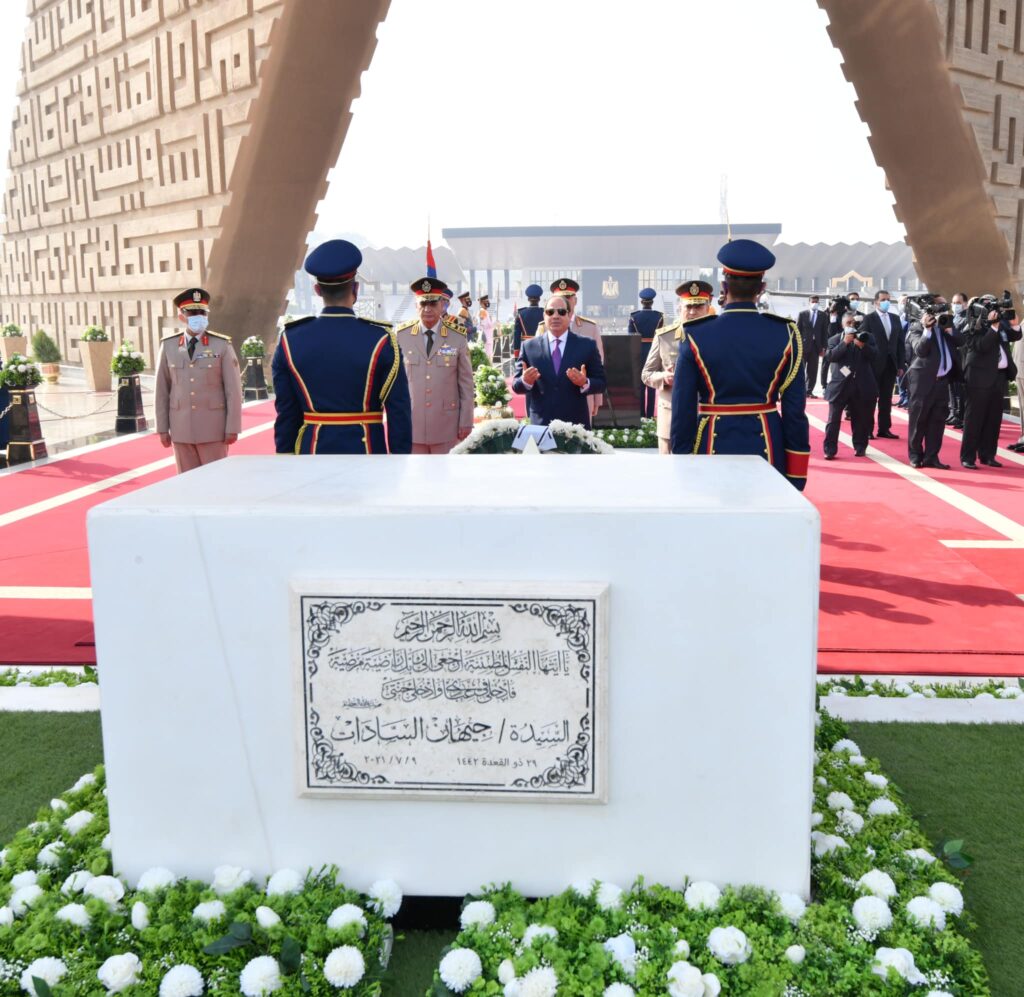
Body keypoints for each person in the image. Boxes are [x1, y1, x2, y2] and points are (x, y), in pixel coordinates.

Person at [670, 239, 810, 491]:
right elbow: (794, 411)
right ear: (762, 287)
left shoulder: (695, 335)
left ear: (723, 286)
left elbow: (683, 412)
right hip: (767, 443)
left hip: (711, 443)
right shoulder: (785, 334)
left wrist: (682, 465)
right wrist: (797, 474)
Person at [272, 239, 411, 454]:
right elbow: (398, 411)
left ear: (317, 290)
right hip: (368, 452)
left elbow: (286, 412)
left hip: (312, 452)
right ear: (356, 288)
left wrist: (286, 456)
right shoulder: (381, 339)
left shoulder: (290, 339)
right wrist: (400, 461)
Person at [155, 287, 242, 474]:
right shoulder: (169, 346)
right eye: (193, 312)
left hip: (213, 429)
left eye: (202, 312)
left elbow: (233, 390)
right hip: (181, 428)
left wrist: (232, 427)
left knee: (215, 481)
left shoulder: (221, 345)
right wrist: (162, 428)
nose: (198, 316)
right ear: (181, 316)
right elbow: (162, 390)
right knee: (186, 484)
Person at [395, 277, 474, 453]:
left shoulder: (457, 337)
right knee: (415, 478)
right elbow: (394, 384)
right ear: (416, 306)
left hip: (446, 426)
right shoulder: (401, 336)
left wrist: (466, 421)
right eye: (422, 304)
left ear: (442, 305)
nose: (427, 309)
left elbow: (466, 384)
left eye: (432, 303)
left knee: (445, 478)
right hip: (412, 425)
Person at [512, 294, 606, 428]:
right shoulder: (529, 347)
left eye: (561, 312)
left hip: (576, 426)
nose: (555, 316)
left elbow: (601, 383)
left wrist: (585, 382)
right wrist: (525, 381)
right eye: (550, 312)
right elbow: (516, 386)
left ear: (569, 315)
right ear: (544, 316)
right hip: (541, 425)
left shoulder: (587, 345)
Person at [643, 281, 712, 453]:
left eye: (698, 306)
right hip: (670, 419)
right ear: (679, 307)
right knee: (670, 475)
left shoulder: (717, 338)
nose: (692, 312)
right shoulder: (665, 336)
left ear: (708, 307)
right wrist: (663, 378)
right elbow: (646, 374)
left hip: (708, 419)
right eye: (687, 307)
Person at [959, 304, 1021, 468]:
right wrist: (993, 326)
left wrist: (1014, 323)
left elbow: (1015, 336)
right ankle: (968, 457)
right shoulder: (973, 327)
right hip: (978, 379)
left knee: (993, 420)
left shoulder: (1001, 325)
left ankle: (988, 455)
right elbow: (982, 346)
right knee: (974, 420)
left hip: (998, 378)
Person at [904, 308, 963, 469]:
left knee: (938, 421)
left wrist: (949, 328)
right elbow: (920, 350)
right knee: (918, 419)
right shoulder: (916, 327)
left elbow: (961, 341)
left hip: (942, 380)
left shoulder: (945, 325)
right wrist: (927, 329)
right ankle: (915, 455)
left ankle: (932, 457)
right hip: (922, 381)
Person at [822, 312, 878, 459]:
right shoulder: (834, 339)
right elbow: (830, 357)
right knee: (833, 420)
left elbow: (875, 355)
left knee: (860, 419)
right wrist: (845, 343)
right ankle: (829, 449)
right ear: (842, 324)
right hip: (839, 386)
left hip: (860, 385)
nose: (852, 326)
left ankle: (860, 447)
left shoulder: (867, 337)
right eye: (849, 323)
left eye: (855, 324)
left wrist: (862, 346)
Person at [550, 278, 605, 417]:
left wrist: (597, 398)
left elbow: (598, 366)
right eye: (560, 298)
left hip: (582, 396)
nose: (565, 301)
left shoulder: (590, 327)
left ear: (575, 300)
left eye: (568, 297)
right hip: (550, 398)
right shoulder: (544, 327)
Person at [863, 289, 904, 438]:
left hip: (890, 364)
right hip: (873, 364)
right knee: (870, 398)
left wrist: (900, 365)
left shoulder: (895, 318)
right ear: (876, 302)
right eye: (883, 300)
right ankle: (867, 430)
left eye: (888, 299)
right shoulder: (869, 319)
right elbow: (863, 342)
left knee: (886, 399)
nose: (886, 302)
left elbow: (900, 343)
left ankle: (884, 429)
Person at [628, 287, 664, 417]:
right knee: (652, 383)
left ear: (641, 302)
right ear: (652, 302)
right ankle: (649, 415)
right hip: (654, 350)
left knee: (640, 384)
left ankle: (641, 414)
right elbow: (661, 336)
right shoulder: (659, 316)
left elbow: (630, 337)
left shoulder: (634, 317)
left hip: (638, 350)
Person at [796, 294, 829, 396]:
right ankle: (799, 390)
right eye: (813, 302)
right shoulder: (802, 314)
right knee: (800, 369)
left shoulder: (823, 315)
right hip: (803, 346)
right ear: (809, 302)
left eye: (816, 302)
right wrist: (797, 345)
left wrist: (824, 347)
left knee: (813, 370)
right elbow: (797, 330)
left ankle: (809, 390)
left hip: (816, 346)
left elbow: (825, 332)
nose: (814, 303)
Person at [947, 292, 970, 428]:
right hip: (951, 357)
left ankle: (960, 415)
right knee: (951, 387)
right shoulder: (952, 317)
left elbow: (963, 338)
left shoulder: (967, 318)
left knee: (960, 389)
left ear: (965, 304)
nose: (956, 305)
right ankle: (953, 413)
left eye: (958, 303)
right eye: (954, 303)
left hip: (961, 358)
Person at [511, 284, 545, 359]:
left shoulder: (520, 314)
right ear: (539, 299)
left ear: (528, 299)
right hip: (543, 347)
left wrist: (516, 353)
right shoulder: (545, 313)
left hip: (526, 347)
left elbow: (516, 335)